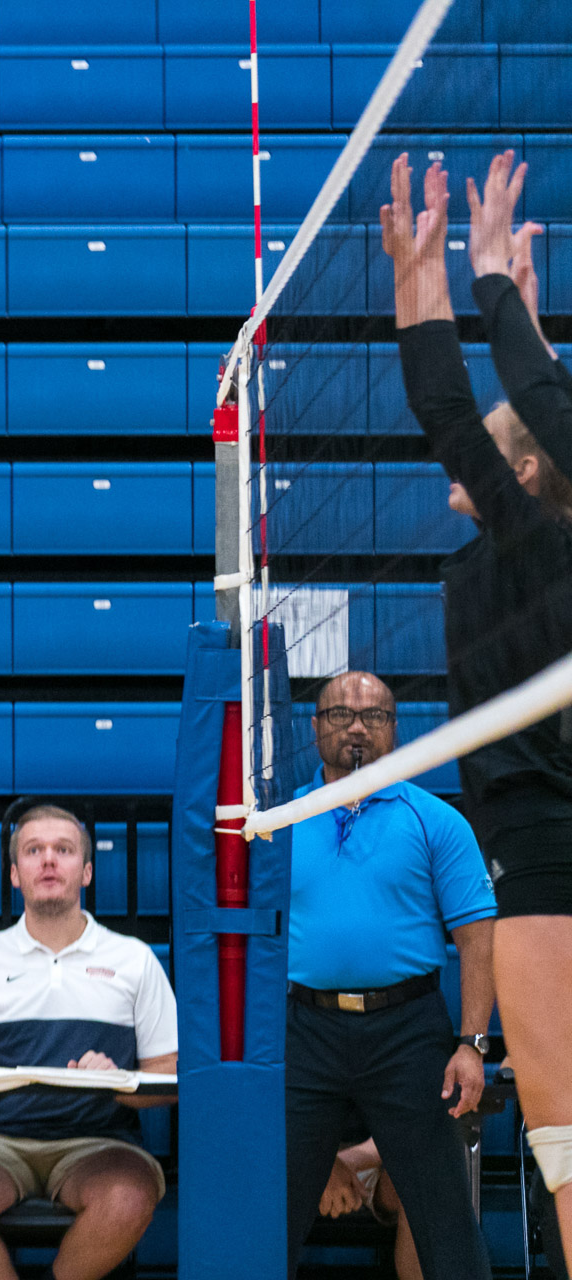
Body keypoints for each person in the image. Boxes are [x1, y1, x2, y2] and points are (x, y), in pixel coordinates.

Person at [383, 151, 572, 1250]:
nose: (463, 475)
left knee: (561, 1144)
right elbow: (483, 413)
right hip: (536, 822)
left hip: (539, 837)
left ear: (530, 470)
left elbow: (455, 408)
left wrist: (450, 284)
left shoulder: (533, 540)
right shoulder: (530, 539)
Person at [283, 670, 496, 1279]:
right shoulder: (280, 823)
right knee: (270, 1216)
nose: (356, 725)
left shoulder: (437, 821)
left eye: (373, 715)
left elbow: (477, 938)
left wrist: (472, 1043)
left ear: (394, 731)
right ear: (316, 728)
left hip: (409, 1033)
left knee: (445, 1216)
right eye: (340, 714)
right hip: (306, 1029)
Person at [0, 805, 177, 1280]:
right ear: (16, 874)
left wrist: (117, 1080)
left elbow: (171, 1078)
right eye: (34, 851)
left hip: (100, 1144)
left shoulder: (134, 960)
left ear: (88, 871)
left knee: (130, 1194)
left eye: (64, 850)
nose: (49, 861)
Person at [319, 1139, 420, 1280]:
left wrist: (336, 1164)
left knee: (420, 1173)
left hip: (385, 1155)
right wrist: (325, 1165)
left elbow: (418, 1134)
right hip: (310, 1151)